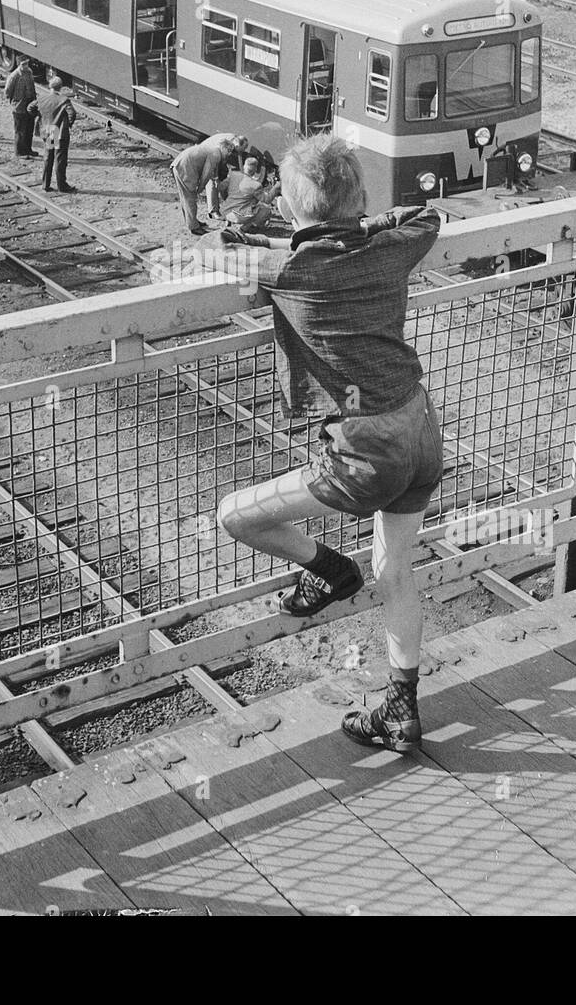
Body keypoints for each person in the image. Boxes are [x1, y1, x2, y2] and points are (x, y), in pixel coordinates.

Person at [199, 136, 444, 753]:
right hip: (421, 430)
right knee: (395, 572)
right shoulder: (391, 248)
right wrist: (359, 221)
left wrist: (263, 227)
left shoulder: (288, 268)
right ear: (357, 198)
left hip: (365, 459)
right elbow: (427, 214)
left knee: (233, 516)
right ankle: (401, 709)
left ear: (292, 206)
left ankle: (330, 570)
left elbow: (212, 247)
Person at [170, 132, 246, 236]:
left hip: (183, 165)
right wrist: (200, 188)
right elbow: (206, 174)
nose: (229, 155)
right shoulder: (216, 155)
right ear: (225, 149)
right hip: (185, 168)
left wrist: (216, 181)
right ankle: (194, 227)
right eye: (229, 152)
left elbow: (213, 173)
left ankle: (193, 222)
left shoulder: (215, 151)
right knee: (190, 198)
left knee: (187, 198)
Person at [36, 73, 78, 193]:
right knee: (60, 159)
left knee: (48, 157)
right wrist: (68, 124)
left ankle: (45, 184)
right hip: (58, 131)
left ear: (50, 86)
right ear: (61, 87)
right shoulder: (64, 100)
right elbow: (72, 114)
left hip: (49, 130)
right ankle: (62, 186)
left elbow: (31, 108)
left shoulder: (42, 98)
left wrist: (41, 118)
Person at [218, 154, 274, 233]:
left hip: (225, 211)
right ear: (255, 171)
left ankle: (229, 221)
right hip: (239, 217)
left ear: (244, 166)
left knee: (249, 203)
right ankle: (244, 227)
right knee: (266, 210)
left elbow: (221, 187)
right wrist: (276, 188)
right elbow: (267, 200)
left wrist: (226, 198)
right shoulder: (255, 185)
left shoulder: (233, 175)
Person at [4, 57, 38, 158]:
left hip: (30, 104)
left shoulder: (29, 72)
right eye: (23, 64)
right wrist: (15, 102)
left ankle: (28, 149)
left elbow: (32, 86)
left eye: (27, 64)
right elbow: (7, 91)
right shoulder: (14, 75)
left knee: (29, 129)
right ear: (19, 64)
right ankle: (19, 152)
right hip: (19, 106)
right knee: (20, 130)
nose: (25, 66)